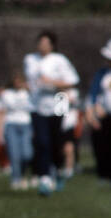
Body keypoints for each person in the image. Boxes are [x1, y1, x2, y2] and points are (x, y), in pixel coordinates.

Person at [24, 30, 79, 195]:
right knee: (41, 141)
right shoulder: (29, 59)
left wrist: (52, 83)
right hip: (37, 105)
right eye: (40, 43)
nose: (42, 46)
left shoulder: (59, 60)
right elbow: (30, 81)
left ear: (52, 45)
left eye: (45, 43)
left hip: (58, 101)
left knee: (56, 142)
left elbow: (72, 82)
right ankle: (44, 177)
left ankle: (58, 169)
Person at [0, 71, 34, 190]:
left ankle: (23, 174)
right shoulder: (7, 94)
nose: (18, 83)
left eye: (20, 81)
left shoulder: (29, 93)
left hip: (26, 124)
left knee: (27, 153)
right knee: (14, 153)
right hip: (11, 123)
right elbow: (2, 110)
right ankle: (15, 178)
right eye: (16, 81)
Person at [85, 37, 111, 184]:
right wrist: (91, 113)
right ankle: (104, 174)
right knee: (103, 146)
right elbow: (93, 94)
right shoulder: (102, 73)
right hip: (105, 117)